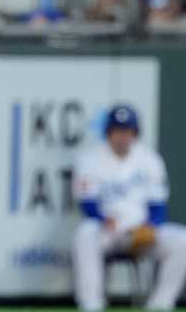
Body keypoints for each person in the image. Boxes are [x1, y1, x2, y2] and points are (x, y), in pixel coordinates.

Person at [73, 105, 186, 312]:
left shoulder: (149, 160)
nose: (122, 136)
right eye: (117, 131)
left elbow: (158, 204)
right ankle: (91, 305)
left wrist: (152, 225)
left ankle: (160, 304)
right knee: (85, 233)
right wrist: (101, 218)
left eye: (127, 131)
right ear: (108, 132)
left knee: (182, 240)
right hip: (107, 229)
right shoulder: (90, 159)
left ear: (135, 133)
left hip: (139, 230)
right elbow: (87, 203)